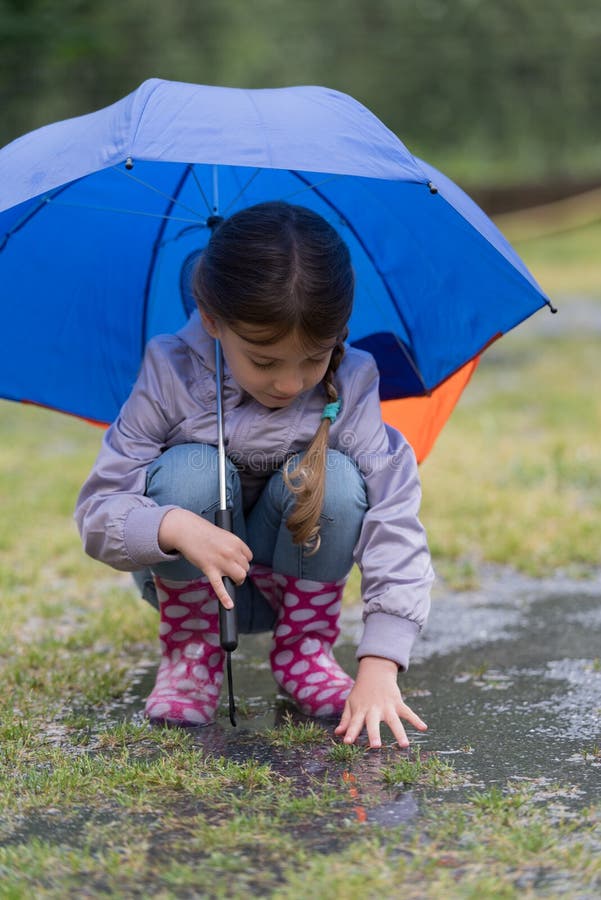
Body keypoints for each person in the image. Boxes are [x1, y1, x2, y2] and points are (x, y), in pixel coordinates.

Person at [75, 200, 434, 749]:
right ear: (213, 320)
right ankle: (193, 654)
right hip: (188, 581)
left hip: (290, 579)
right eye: (265, 362)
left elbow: (396, 519)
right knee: (193, 468)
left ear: (338, 331)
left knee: (335, 478)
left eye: (314, 358)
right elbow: (98, 512)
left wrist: (381, 662)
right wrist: (173, 526)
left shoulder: (355, 381)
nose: (290, 384)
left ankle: (304, 652)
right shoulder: (170, 371)